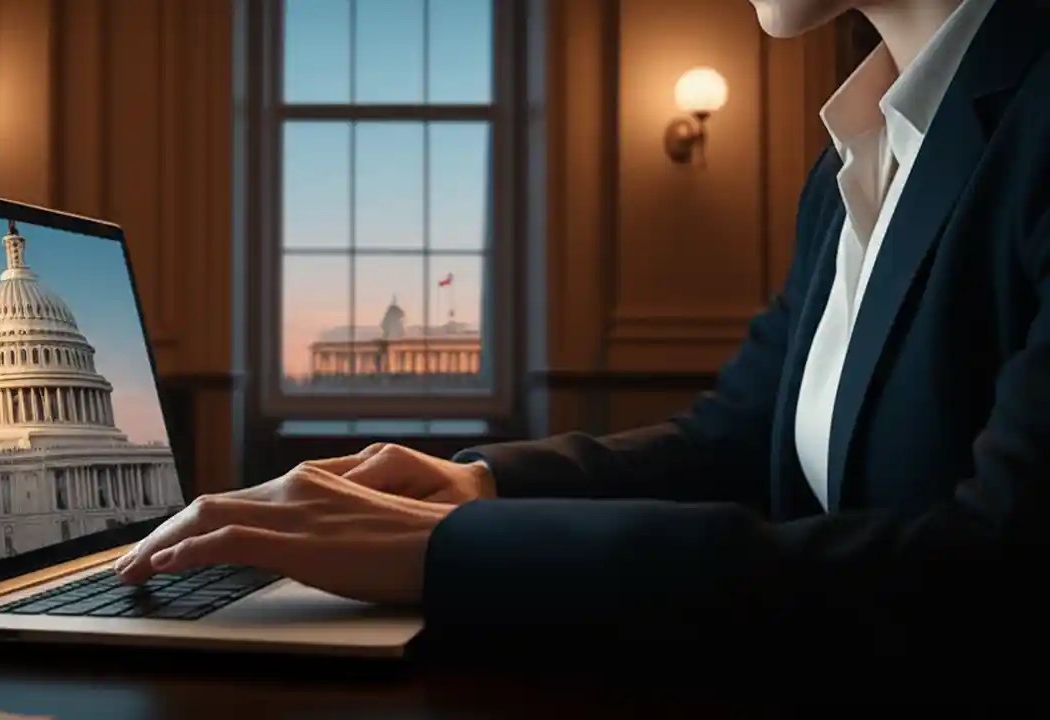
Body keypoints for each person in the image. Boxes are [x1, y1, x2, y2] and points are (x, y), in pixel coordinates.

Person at [115, 0, 1050, 660]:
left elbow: (996, 580)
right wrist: (477, 483)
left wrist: (450, 552)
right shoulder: (858, 150)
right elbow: (732, 443)